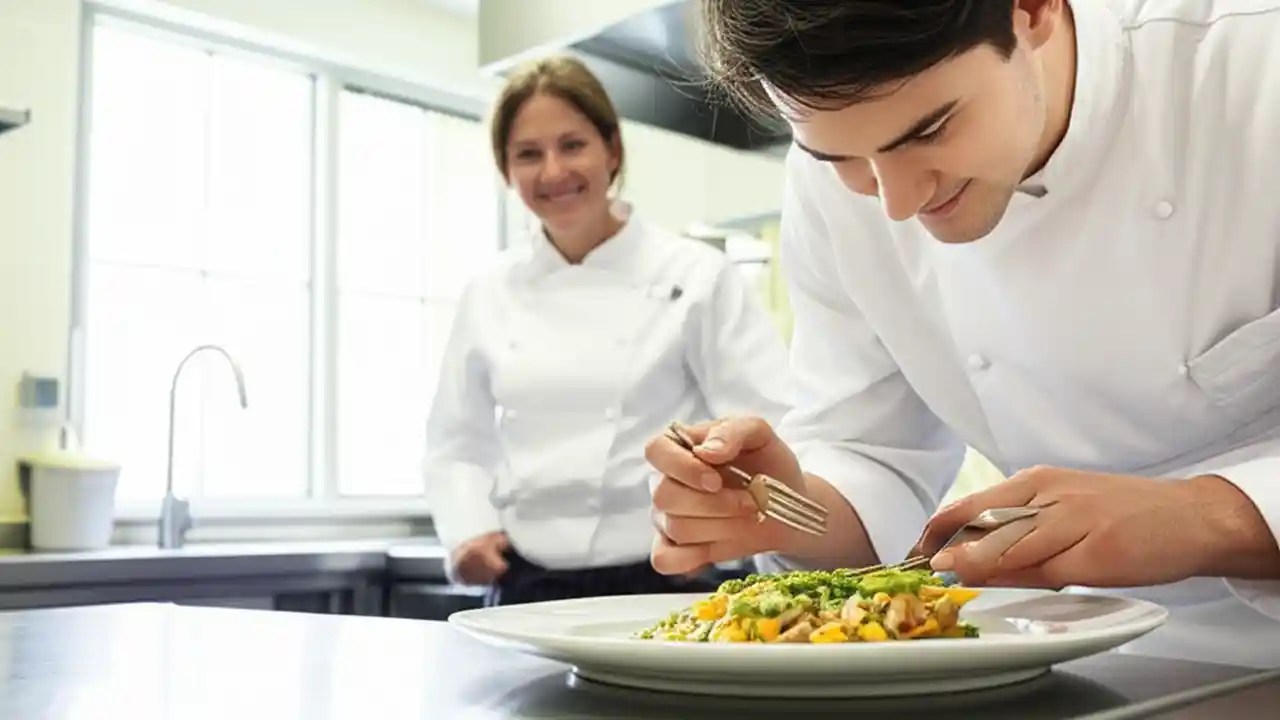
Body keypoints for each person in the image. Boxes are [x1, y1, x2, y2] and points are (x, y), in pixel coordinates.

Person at [645, 0, 1280, 668]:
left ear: (1032, 11)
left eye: (930, 131)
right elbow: (871, 450)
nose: (896, 202)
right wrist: (787, 507)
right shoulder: (835, 187)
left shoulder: (1252, 65)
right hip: (1072, 659)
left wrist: (1210, 516)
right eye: (838, 158)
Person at [424, 55, 792, 606]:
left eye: (572, 145)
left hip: (668, 577)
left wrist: (723, 535)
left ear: (612, 151)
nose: (552, 172)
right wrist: (466, 530)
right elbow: (456, 439)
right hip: (527, 583)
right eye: (528, 154)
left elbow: (763, 421)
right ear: (506, 170)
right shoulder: (489, 290)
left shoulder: (693, 274)